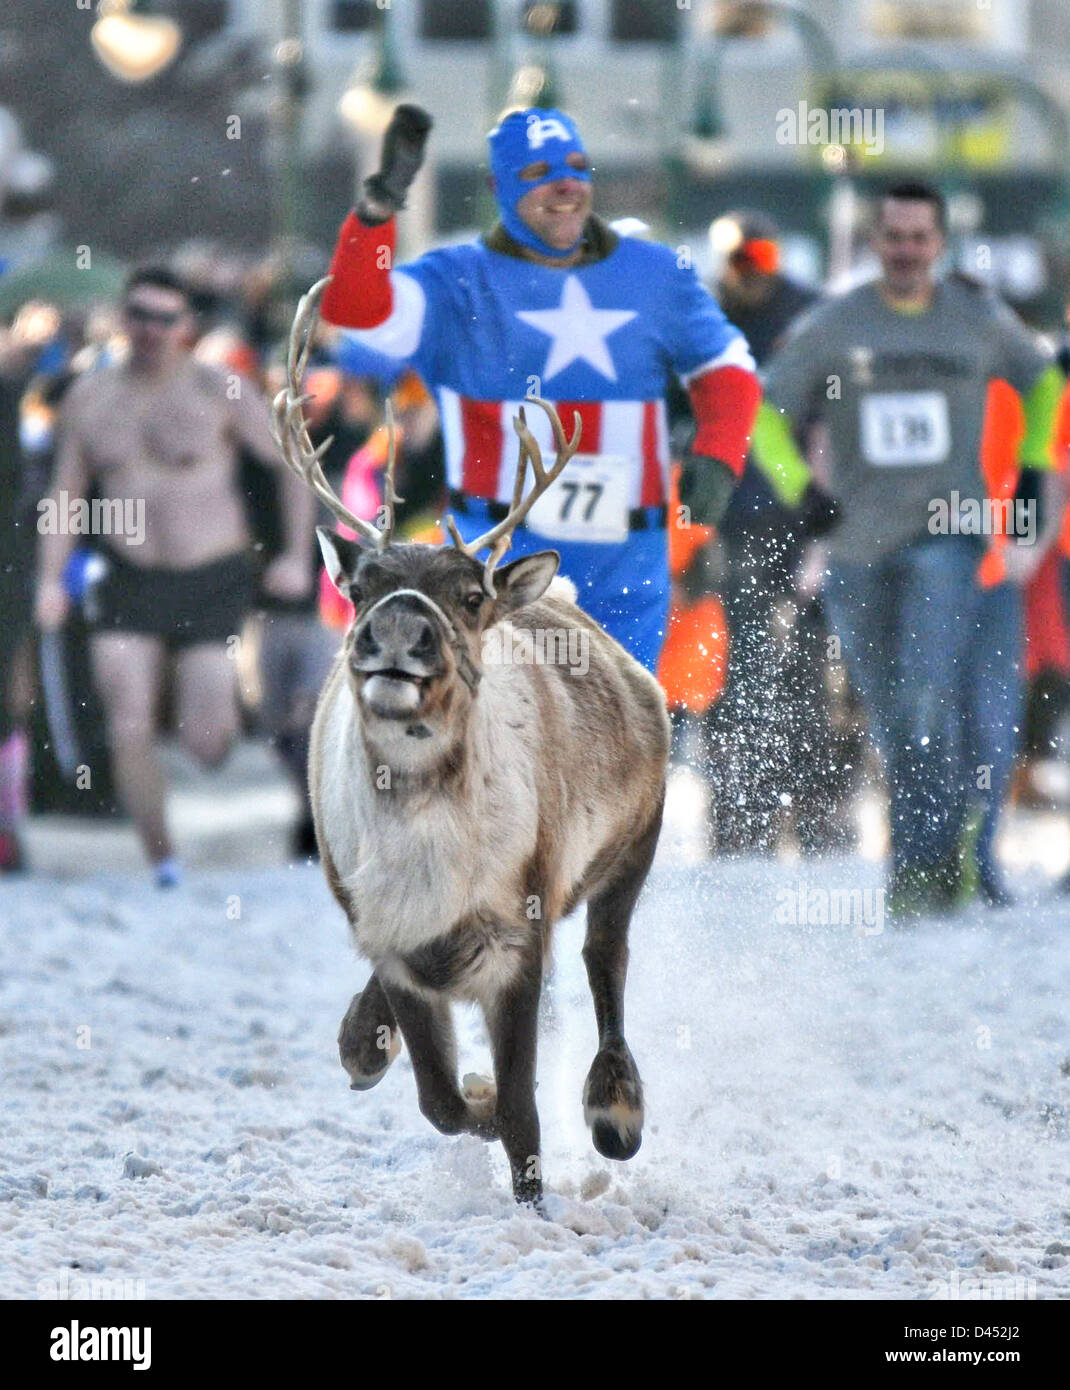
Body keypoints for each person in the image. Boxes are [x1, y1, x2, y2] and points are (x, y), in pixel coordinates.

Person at [316, 104, 761, 673]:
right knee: (515, 743)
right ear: (498, 187)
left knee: (616, 742)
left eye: (576, 167)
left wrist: (719, 452)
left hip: (626, 572)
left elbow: (727, 368)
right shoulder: (454, 281)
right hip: (498, 579)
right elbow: (355, 309)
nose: (564, 186)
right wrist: (378, 210)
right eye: (537, 175)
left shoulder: (653, 273)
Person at [753, 181, 1063, 914]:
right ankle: (939, 855)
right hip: (857, 548)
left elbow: (1046, 380)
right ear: (874, 242)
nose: (907, 251)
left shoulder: (974, 319)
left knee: (927, 701)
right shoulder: (836, 323)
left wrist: (1028, 472)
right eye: (894, 237)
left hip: (946, 539)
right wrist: (804, 491)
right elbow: (765, 412)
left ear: (939, 244)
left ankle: (921, 874)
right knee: (892, 717)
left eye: (920, 238)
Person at [34, 267, 316, 886]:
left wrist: (297, 556)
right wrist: (51, 581)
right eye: (140, 314)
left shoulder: (221, 390)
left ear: (186, 327)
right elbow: (65, 496)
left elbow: (294, 465)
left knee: (205, 738)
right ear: (122, 315)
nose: (150, 330)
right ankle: (164, 862)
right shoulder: (89, 397)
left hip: (210, 576)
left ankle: (224, 787)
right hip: (127, 576)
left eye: (166, 318)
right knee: (126, 720)